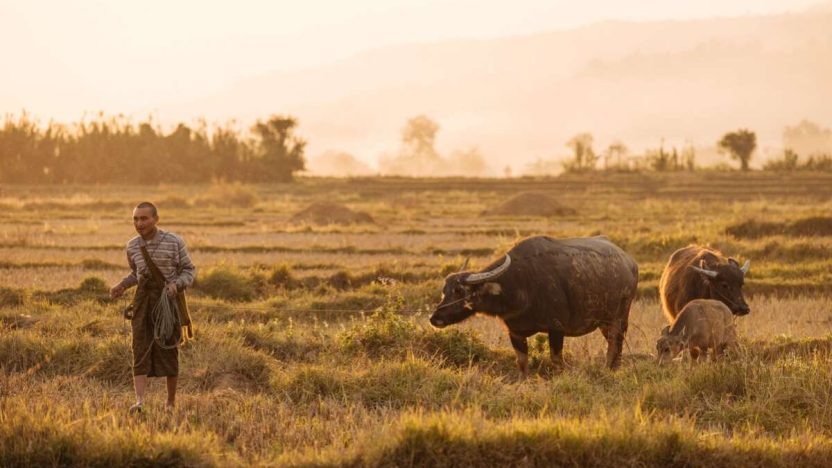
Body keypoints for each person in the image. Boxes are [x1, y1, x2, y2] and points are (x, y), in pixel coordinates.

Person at [110, 201, 196, 413]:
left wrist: (177, 285)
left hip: (167, 301)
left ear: (156, 219)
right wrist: (122, 285)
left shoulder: (174, 241)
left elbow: (189, 270)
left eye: (144, 218)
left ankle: (170, 402)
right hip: (143, 302)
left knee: (168, 347)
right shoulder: (132, 246)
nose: (139, 223)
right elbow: (136, 274)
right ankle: (140, 401)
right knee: (139, 347)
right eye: (136, 219)